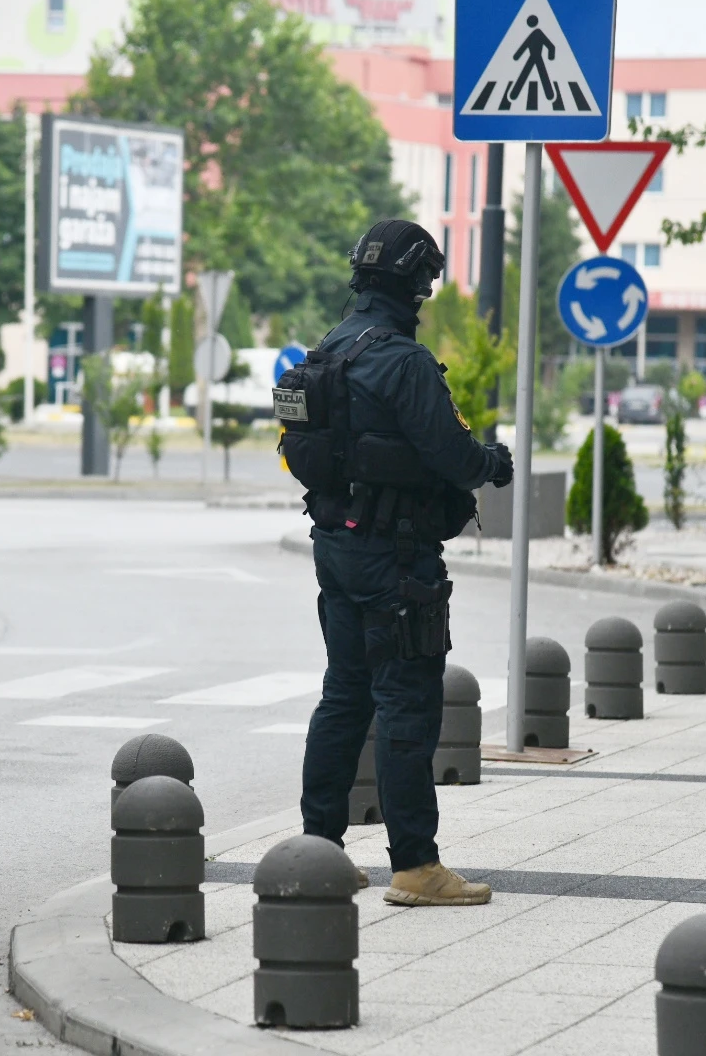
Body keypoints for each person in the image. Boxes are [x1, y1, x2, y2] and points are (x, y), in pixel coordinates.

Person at [285, 219, 513, 906]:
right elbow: (453, 455)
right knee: (407, 704)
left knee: (345, 696)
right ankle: (415, 866)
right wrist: (493, 464)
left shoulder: (330, 347)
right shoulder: (405, 363)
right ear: (418, 282)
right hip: (398, 560)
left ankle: (319, 848)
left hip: (336, 546)